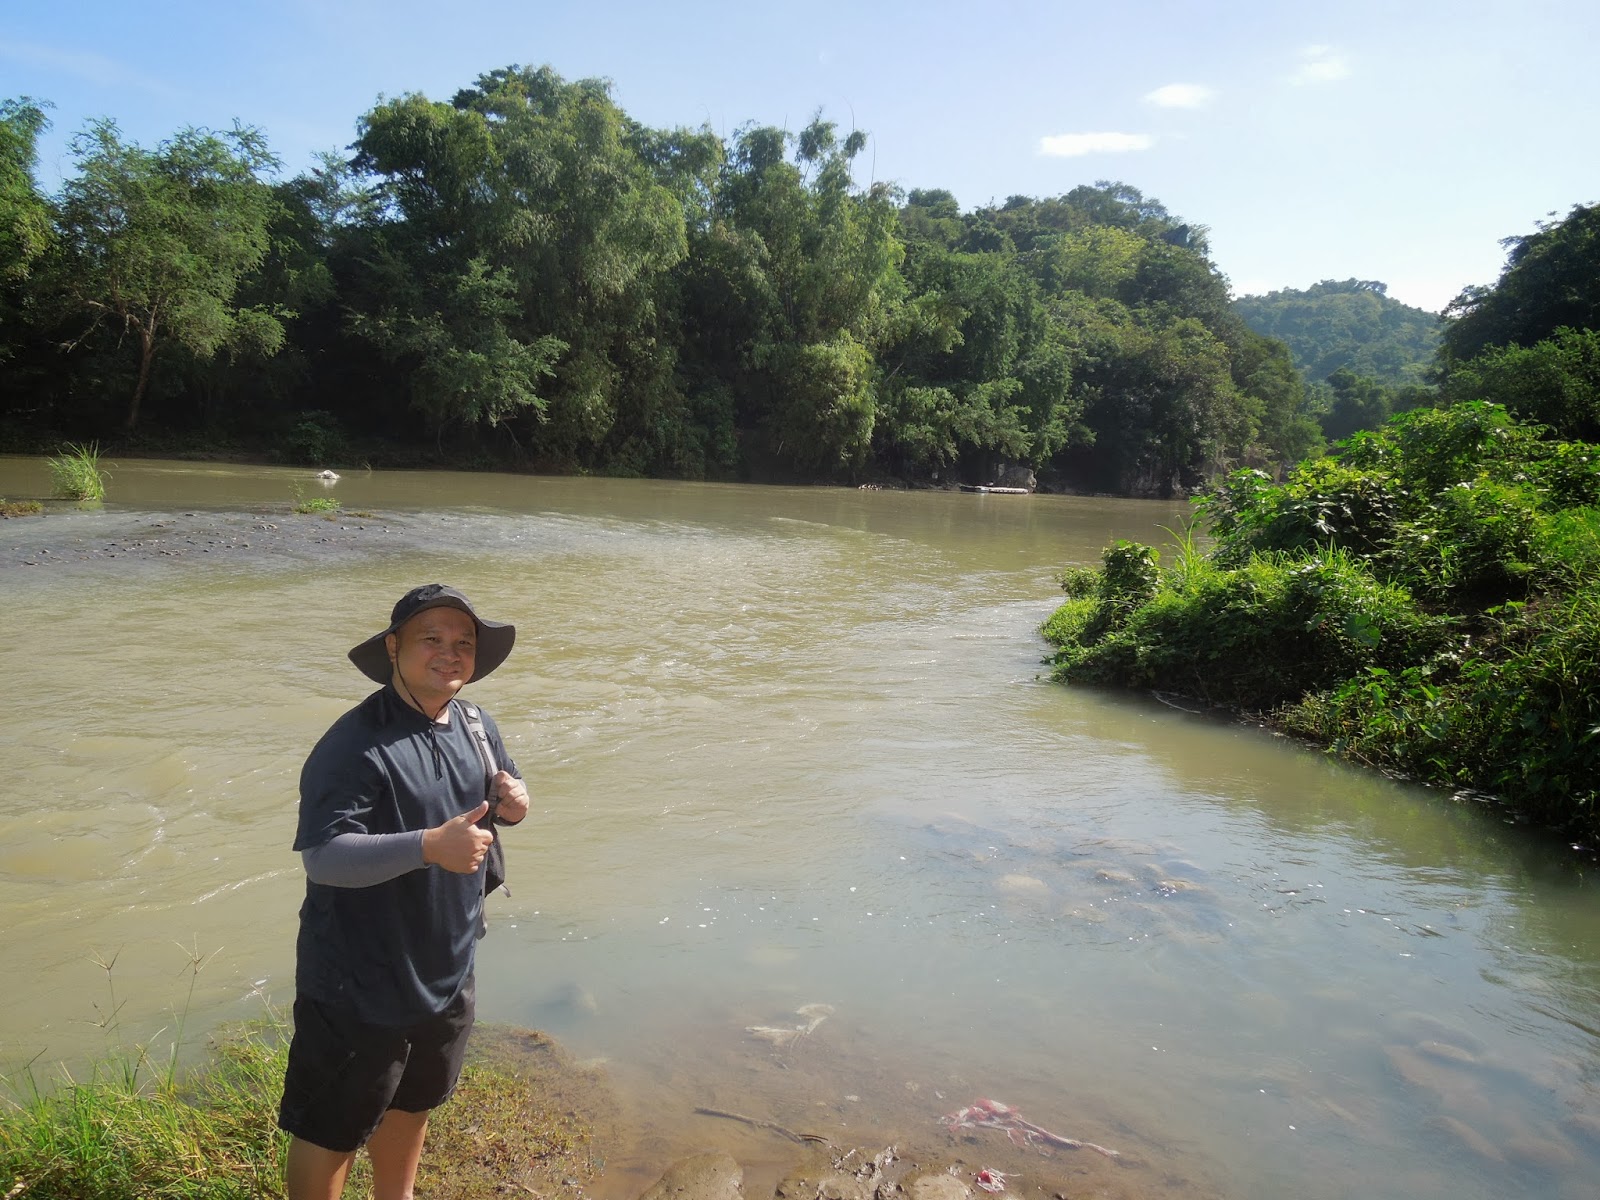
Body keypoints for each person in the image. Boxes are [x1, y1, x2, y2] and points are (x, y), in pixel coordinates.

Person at [278, 584, 529, 1200]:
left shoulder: (474, 722)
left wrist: (515, 805)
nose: (451, 653)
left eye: (463, 643)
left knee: (414, 1099)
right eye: (432, 639)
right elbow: (324, 857)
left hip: (445, 960)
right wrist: (425, 846)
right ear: (393, 648)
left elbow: (497, 798)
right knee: (332, 1128)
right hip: (358, 978)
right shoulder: (353, 745)